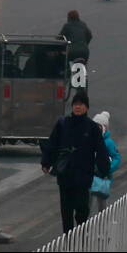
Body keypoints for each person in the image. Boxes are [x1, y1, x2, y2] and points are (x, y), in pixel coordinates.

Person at [41, 90, 111, 233]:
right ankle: (69, 241)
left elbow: (101, 149)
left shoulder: (92, 128)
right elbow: (52, 143)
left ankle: (80, 240)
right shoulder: (63, 124)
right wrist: (46, 162)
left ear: (86, 107)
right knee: (66, 212)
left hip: (83, 177)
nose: (78, 107)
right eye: (75, 104)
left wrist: (104, 168)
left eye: (81, 104)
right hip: (65, 175)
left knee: (82, 210)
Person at [89, 111, 122, 215]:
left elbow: (116, 157)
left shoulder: (108, 143)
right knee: (87, 202)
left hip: (102, 176)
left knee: (102, 202)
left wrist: (108, 168)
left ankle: (102, 220)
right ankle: (85, 223)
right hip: (89, 175)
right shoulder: (89, 139)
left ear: (105, 127)